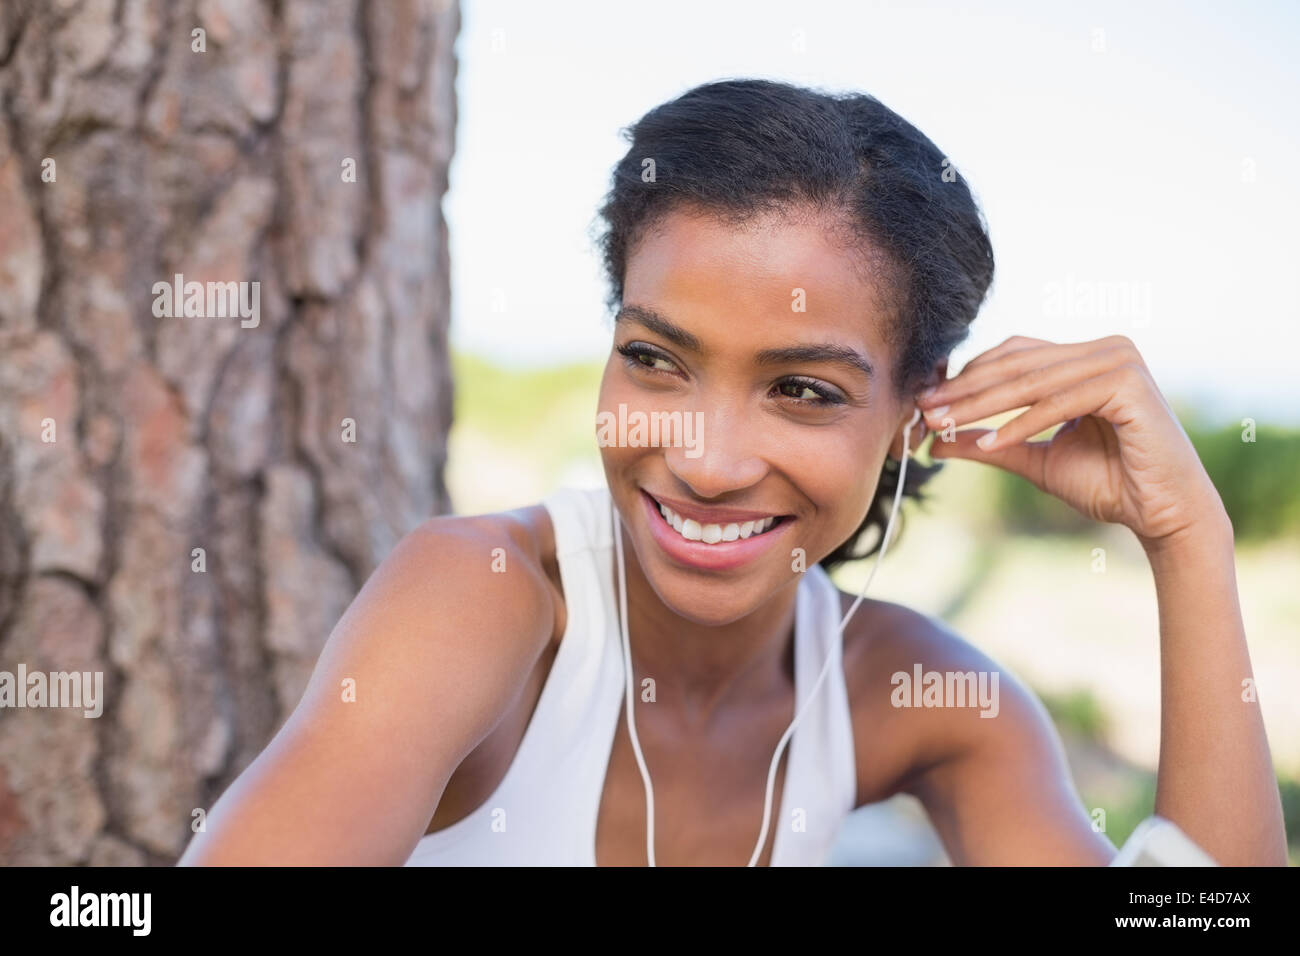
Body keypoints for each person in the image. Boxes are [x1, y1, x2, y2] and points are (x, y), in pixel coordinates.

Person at [178, 79, 1286, 866]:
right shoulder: (482, 596)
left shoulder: (922, 699)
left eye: (802, 389)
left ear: (915, 413)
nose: (705, 461)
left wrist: (1188, 539)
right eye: (656, 360)